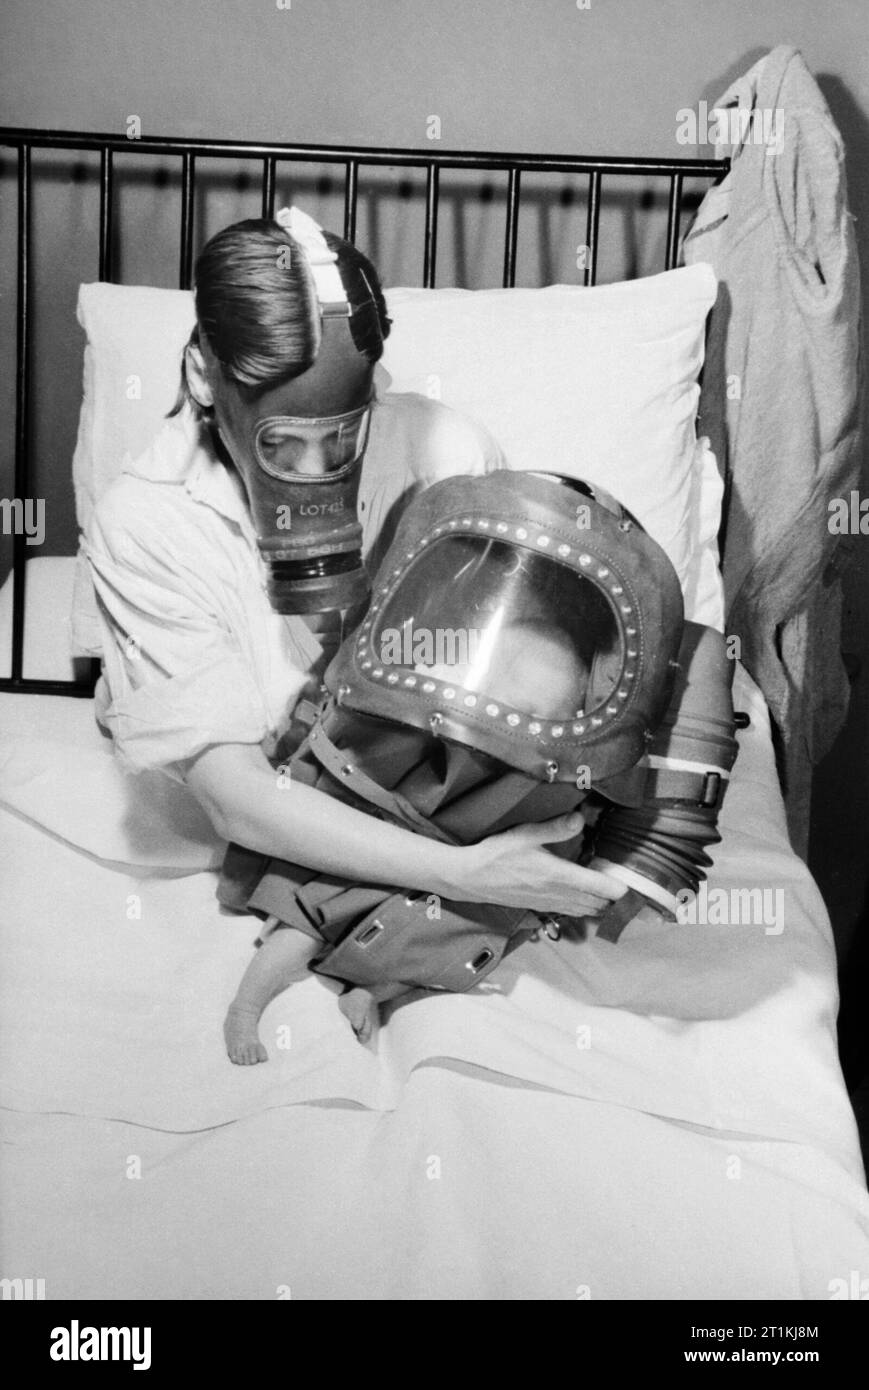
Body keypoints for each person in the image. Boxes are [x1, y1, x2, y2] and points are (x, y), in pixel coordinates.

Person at [85, 208, 627, 1044]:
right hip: (285, 808)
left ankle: (388, 963)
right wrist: (464, 871)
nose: (317, 472)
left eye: (343, 437)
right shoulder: (144, 522)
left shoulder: (445, 452)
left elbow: (521, 659)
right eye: (288, 445)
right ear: (203, 375)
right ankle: (328, 956)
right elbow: (238, 798)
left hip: (438, 766)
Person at [218, 470, 739, 1062]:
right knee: (313, 909)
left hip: (502, 818)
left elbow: (605, 760)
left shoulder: (592, 664)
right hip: (406, 795)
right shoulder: (469, 625)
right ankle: (248, 1006)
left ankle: (370, 990)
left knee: (468, 928)